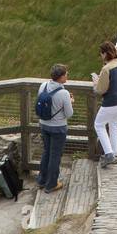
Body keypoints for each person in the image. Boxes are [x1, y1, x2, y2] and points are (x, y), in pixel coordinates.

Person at [92, 41, 117, 168]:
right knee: (114, 125)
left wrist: (96, 82)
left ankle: (109, 154)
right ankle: (114, 154)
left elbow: (101, 90)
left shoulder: (106, 69)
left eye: (101, 54)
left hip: (112, 102)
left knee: (98, 124)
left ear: (104, 54)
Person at [37, 63, 73, 194]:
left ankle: (41, 180)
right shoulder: (63, 93)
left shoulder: (43, 86)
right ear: (61, 77)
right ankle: (51, 184)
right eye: (66, 74)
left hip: (44, 124)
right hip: (58, 128)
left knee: (46, 152)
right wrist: (70, 101)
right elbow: (69, 114)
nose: (67, 75)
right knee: (55, 156)